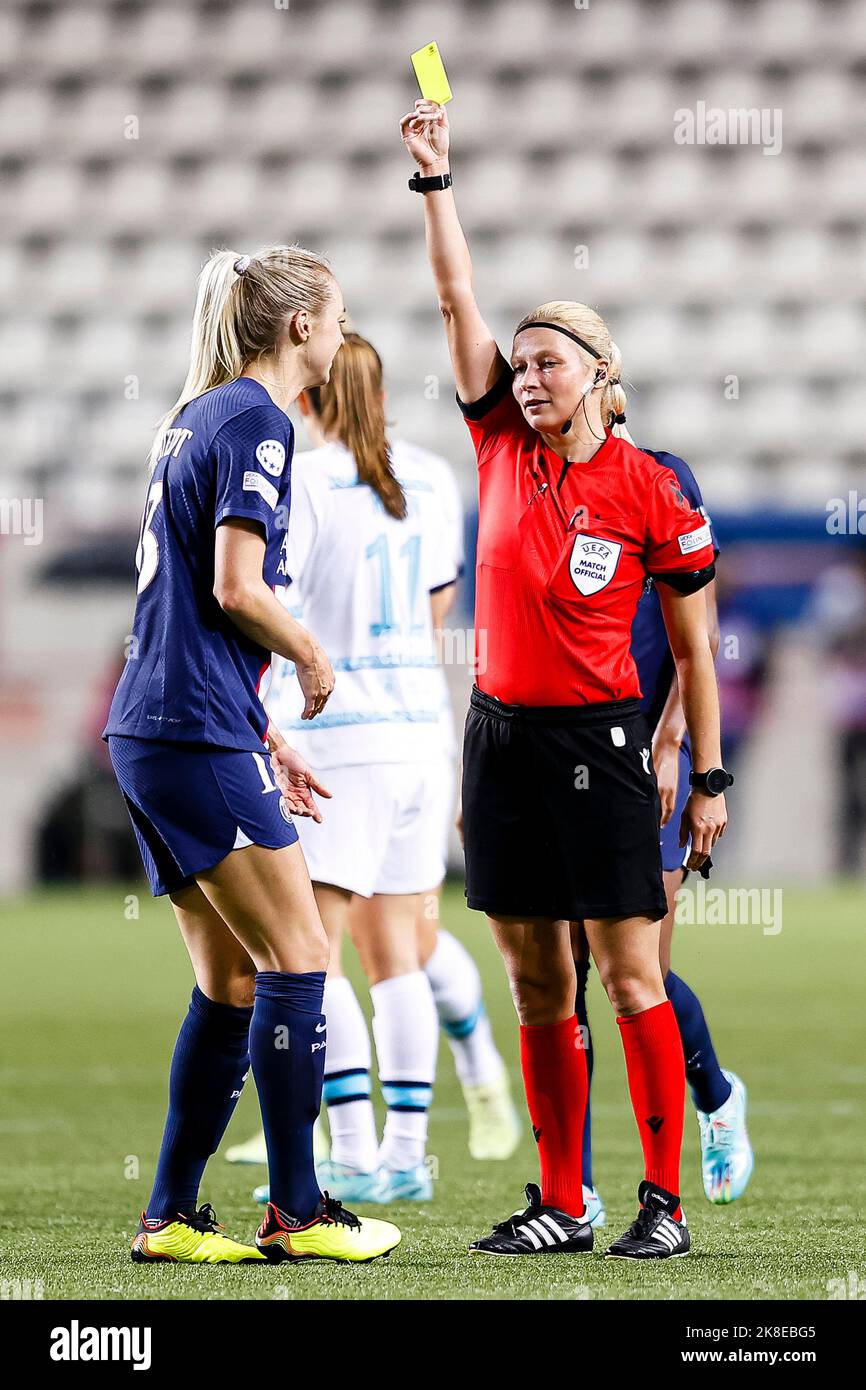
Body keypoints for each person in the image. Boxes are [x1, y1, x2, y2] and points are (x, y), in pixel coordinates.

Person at [400, 100, 731, 1260]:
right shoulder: (497, 442)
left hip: (602, 743)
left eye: (549, 364)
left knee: (630, 973)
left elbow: (691, 652)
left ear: (602, 377)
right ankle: (562, 1199)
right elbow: (454, 299)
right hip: (497, 739)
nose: (526, 377)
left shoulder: (650, 489)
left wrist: (703, 773)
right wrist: (436, 184)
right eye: (520, 363)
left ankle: (663, 1203)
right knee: (535, 976)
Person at [103, 246, 400, 1264]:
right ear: (298, 329)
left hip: (157, 726)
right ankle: (299, 1208)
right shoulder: (258, 420)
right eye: (337, 314)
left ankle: (171, 1217)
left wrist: (263, 728)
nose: (344, 331)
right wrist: (310, 654)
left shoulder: (194, 416)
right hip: (189, 729)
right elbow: (235, 586)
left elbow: (183, 601)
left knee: (232, 981)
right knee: (300, 955)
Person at [231, 332, 516, 1207]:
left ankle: (350, 1146)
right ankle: (407, 1154)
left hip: (335, 742)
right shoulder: (432, 476)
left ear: (310, 396)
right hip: (420, 737)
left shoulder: (302, 480)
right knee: (399, 957)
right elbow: (439, 615)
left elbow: (260, 602)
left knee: (306, 957)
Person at [574, 455, 753, 1227]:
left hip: (646, 759)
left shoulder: (661, 478)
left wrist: (678, 741)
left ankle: (714, 1094)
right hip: (559, 755)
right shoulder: (536, 482)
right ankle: (571, 1188)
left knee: (637, 972)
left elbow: (698, 632)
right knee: (561, 975)